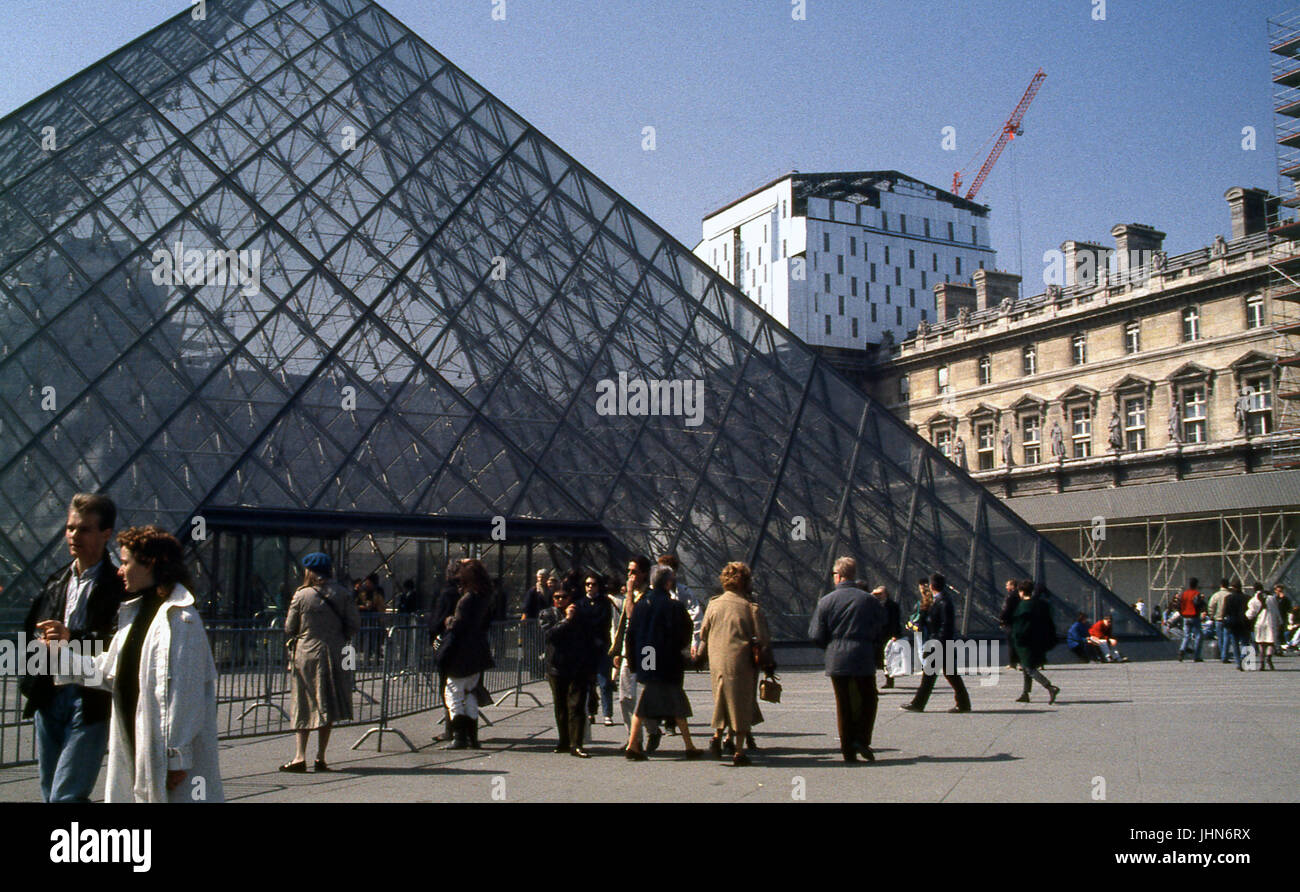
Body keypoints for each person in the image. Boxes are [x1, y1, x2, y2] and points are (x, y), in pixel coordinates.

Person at [39, 526, 223, 802]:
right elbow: (107, 671)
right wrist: (60, 654)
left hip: (165, 759)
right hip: (141, 748)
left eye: (125, 562)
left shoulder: (181, 620)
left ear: (149, 563)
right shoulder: (137, 615)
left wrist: (176, 758)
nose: (119, 570)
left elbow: (186, 692)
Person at [22, 493, 126, 803]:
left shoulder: (119, 585)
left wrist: (73, 637)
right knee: (51, 790)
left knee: (65, 795)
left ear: (105, 533)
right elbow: (30, 630)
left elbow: (121, 641)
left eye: (83, 529)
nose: (73, 536)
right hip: (49, 691)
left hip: (91, 693)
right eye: (70, 528)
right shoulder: (56, 581)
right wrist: (39, 646)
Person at [281, 552, 360, 773]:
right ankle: (321, 756)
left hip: (306, 653)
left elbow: (289, 627)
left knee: (303, 703)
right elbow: (354, 624)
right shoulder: (343, 594)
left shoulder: (302, 595)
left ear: (309, 571)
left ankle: (299, 756)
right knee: (328, 703)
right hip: (335, 652)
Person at [623, 565, 703, 761]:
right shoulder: (674, 606)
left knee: (645, 698)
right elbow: (684, 632)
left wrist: (634, 662)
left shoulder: (642, 604)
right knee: (676, 701)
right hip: (668, 659)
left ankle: (633, 743)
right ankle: (688, 746)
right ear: (668, 583)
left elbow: (631, 634)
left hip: (647, 655)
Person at [810, 557, 885, 761]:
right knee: (869, 698)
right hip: (862, 654)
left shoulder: (825, 601)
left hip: (837, 657)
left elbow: (816, 635)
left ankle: (847, 748)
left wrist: (831, 646)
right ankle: (862, 738)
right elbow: (881, 628)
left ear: (839, 576)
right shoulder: (869, 601)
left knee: (843, 703)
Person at [698, 561, 771, 767]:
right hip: (741, 664)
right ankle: (739, 750)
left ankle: (717, 736)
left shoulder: (713, 604)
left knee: (720, 699)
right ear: (744, 582)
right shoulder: (750, 608)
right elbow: (763, 639)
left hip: (717, 662)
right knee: (741, 704)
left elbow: (703, 633)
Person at [438, 559, 496, 748]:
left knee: (453, 693)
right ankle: (472, 737)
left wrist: (448, 621)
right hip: (477, 650)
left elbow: (458, 627)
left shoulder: (467, 600)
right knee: (470, 692)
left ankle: (459, 737)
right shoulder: (484, 596)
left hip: (461, 653)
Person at [539, 579, 596, 757]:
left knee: (577, 705)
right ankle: (563, 740)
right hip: (556, 666)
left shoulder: (581, 614)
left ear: (570, 598)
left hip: (577, 666)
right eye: (557, 597)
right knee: (561, 706)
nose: (560, 600)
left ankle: (576, 743)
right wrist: (567, 620)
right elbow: (550, 635)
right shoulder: (547, 614)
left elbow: (588, 638)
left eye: (564, 597)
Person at [901, 573, 971, 713]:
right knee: (947, 675)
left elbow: (946, 626)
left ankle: (919, 704)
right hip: (942, 643)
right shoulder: (942, 600)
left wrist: (936, 643)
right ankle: (963, 703)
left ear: (932, 586)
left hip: (940, 645)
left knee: (933, 675)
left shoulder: (943, 601)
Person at [610, 556, 651, 750]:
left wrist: (628, 595)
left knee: (645, 696)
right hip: (628, 652)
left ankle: (652, 730)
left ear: (644, 573)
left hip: (646, 652)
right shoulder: (631, 595)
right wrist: (617, 651)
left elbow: (633, 616)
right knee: (625, 698)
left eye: (634, 572)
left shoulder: (649, 596)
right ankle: (633, 738)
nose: (630, 575)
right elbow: (622, 626)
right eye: (628, 571)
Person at [1010, 581, 1060, 704]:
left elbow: (1021, 626)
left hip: (1026, 642)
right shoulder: (1041, 604)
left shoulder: (1024, 606)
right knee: (1027, 666)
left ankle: (1050, 687)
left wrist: (1016, 637)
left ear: (1021, 592)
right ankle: (1025, 693)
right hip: (1039, 640)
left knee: (1028, 667)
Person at [583, 574, 617, 726]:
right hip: (587, 647)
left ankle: (607, 713)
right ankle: (591, 712)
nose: (590, 586)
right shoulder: (581, 602)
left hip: (602, 646)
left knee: (604, 682)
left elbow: (605, 620)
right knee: (589, 683)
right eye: (588, 584)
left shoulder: (605, 602)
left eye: (593, 584)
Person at [1246, 585, 1283, 671]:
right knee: (1270, 642)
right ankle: (1269, 657)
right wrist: (1280, 621)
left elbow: (1250, 614)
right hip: (1271, 622)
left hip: (1259, 623)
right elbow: (1276, 611)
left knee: (1261, 643)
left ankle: (1262, 662)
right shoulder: (1272, 598)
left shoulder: (1253, 600)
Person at [872, 585, 902, 689]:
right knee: (876, 659)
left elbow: (896, 621)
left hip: (888, 635)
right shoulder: (873, 604)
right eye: (876, 594)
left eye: (880, 594)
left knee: (887, 660)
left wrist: (895, 635)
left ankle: (889, 680)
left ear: (886, 594)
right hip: (876, 636)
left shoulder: (892, 605)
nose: (878, 596)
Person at [1173, 577, 1205, 662]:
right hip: (1194, 616)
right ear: (1196, 585)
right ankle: (1197, 655)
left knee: (1186, 635)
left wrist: (1182, 612)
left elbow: (1179, 604)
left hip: (1185, 616)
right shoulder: (1196, 593)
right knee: (1198, 635)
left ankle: (1182, 650)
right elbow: (1198, 604)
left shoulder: (1184, 594)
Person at [1221, 581, 1249, 671]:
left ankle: (1238, 662)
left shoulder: (1228, 598)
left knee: (1235, 644)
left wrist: (1224, 620)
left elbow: (1225, 612)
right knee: (1245, 643)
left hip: (1232, 623)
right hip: (1244, 623)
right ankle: (1243, 658)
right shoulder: (1247, 598)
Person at [905, 579, 931, 675]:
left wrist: (911, 623)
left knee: (922, 647)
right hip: (924, 626)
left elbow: (919, 615)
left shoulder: (923, 602)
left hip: (920, 627)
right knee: (923, 646)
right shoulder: (930, 600)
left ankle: (925, 667)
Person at [998, 578, 1021, 670]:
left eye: (1007, 585)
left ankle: (1013, 663)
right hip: (1018, 621)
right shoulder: (1019, 595)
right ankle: (1018, 662)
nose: (1006, 587)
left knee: (1012, 643)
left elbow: (1006, 609)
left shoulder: (1010, 596)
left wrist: (1002, 619)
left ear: (1012, 586)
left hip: (1011, 622)